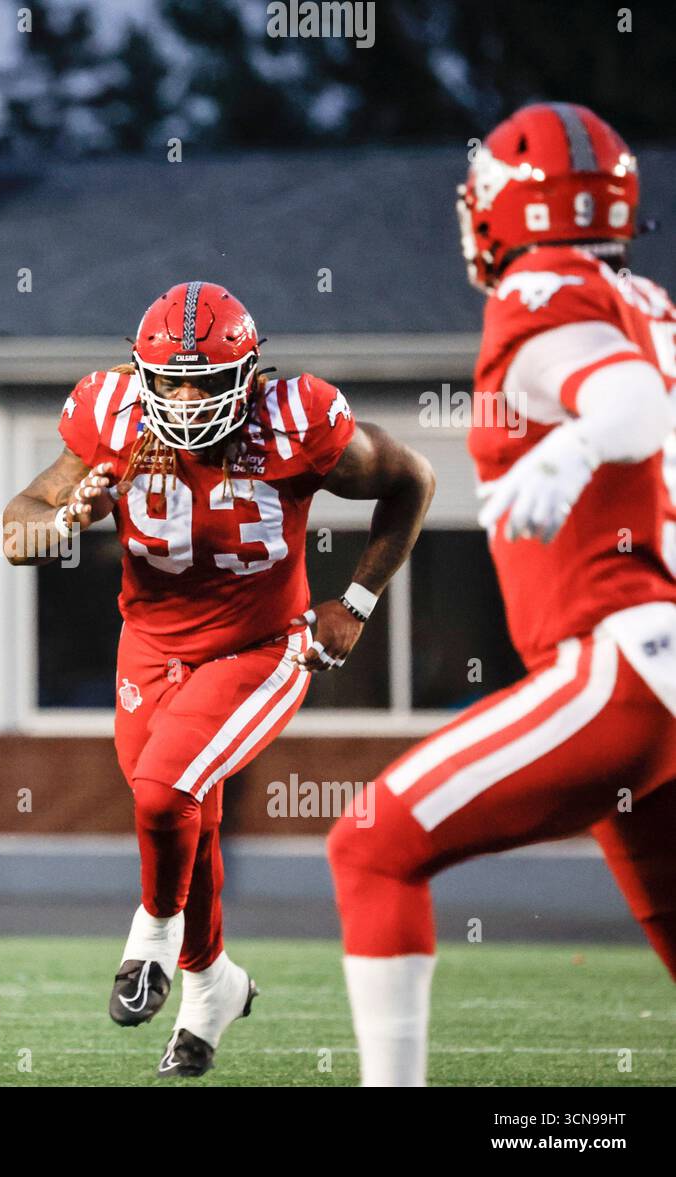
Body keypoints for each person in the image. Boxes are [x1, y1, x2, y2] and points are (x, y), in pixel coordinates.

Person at [3, 281, 434, 1077]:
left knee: (163, 794)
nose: (188, 397)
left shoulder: (297, 418)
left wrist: (360, 600)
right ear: (142, 374)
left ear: (249, 373)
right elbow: (18, 525)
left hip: (261, 648)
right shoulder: (113, 417)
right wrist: (61, 522)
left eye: (206, 380)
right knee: (183, 819)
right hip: (149, 650)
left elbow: (414, 481)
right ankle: (213, 990)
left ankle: (153, 936)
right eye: (170, 380)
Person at [328, 102, 676, 1086]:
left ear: (503, 207)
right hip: (657, 664)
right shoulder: (642, 299)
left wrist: (567, 453)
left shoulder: (541, 285)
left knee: (371, 847)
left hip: (619, 667)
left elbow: (632, 406)